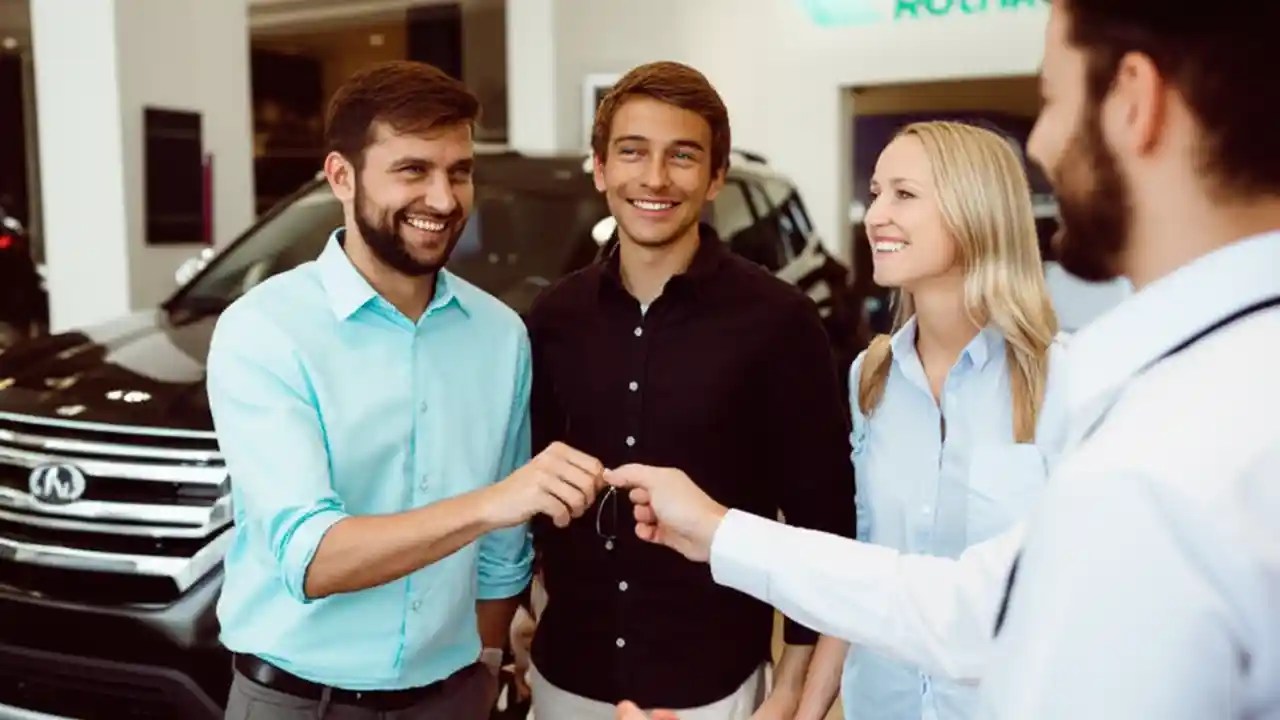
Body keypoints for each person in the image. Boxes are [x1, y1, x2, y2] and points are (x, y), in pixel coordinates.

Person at [607, 1, 1280, 717]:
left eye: (1050, 101)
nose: (1043, 146)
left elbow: (998, 628)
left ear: (1136, 102)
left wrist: (719, 532)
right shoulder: (882, 377)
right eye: (877, 193)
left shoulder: (1152, 413)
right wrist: (719, 533)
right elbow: (965, 604)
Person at [206, 60, 606, 720]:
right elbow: (313, 559)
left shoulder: (500, 335)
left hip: (452, 697)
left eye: (459, 171)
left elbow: (502, 558)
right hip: (299, 704)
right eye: (413, 170)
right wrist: (493, 502)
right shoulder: (265, 330)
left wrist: (482, 671)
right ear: (341, 176)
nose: (445, 200)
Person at [522, 61, 856, 720]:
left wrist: (790, 688)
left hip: (713, 688)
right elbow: (529, 494)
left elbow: (822, 523)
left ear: (715, 177)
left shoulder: (779, 321)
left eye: (682, 156)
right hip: (566, 678)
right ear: (599, 167)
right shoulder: (553, 319)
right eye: (632, 153)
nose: (654, 178)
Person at [793, 121, 1067, 720]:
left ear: (977, 211)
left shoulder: (1064, 381)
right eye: (875, 191)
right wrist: (806, 710)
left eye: (904, 194)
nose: (873, 215)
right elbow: (864, 565)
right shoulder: (872, 375)